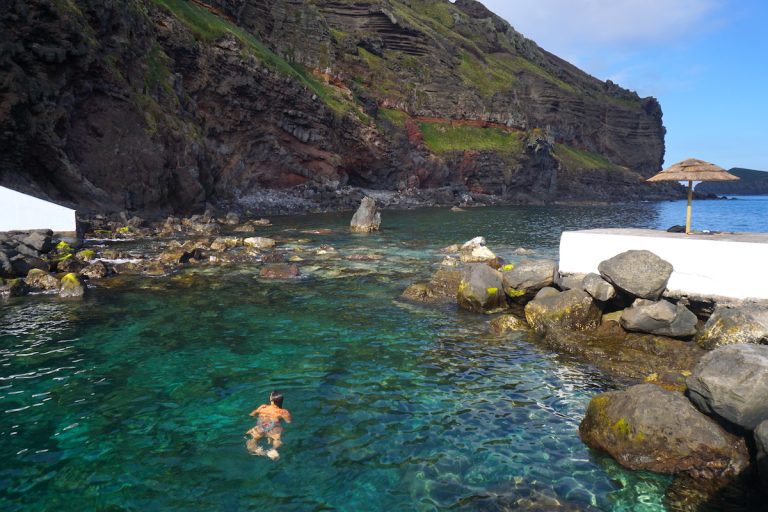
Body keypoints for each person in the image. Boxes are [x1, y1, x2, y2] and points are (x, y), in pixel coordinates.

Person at [246, 390, 292, 460]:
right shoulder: (283, 412)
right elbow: (288, 422)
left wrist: (257, 410)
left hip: (261, 425)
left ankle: (259, 451)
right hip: (274, 426)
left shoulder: (263, 407)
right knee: (277, 439)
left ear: (271, 400)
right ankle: (273, 449)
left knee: (253, 440)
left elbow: (252, 415)